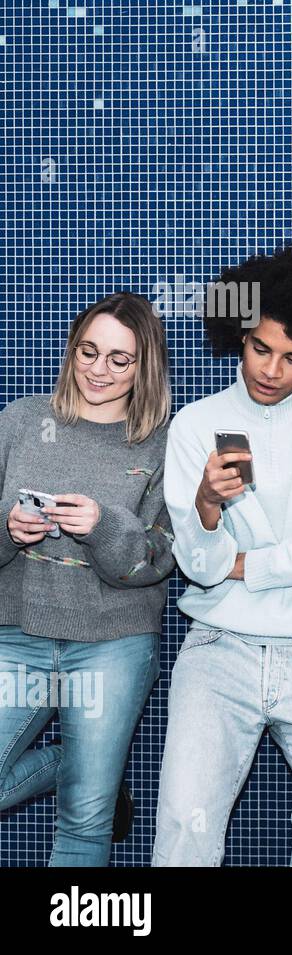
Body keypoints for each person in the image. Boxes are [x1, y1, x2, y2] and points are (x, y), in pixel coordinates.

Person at [153, 244, 292, 866]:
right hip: (218, 649)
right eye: (260, 348)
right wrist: (204, 505)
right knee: (184, 824)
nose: (272, 369)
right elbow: (196, 564)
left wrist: (239, 563)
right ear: (239, 335)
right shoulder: (197, 424)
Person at [0, 291, 174, 865]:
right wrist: (8, 530)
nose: (99, 369)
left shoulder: (165, 444)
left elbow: (156, 561)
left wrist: (103, 527)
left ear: (145, 365)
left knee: (86, 818)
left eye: (119, 359)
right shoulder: (21, 421)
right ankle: (66, 768)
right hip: (17, 635)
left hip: (113, 644)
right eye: (88, 351)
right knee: (79, 787)